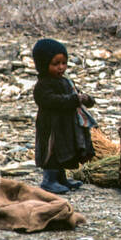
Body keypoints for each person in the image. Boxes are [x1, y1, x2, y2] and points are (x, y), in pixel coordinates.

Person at [31, 37, 95, 195]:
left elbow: (75, 95)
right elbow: (51, 101)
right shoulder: (43, 85)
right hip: (51, 126)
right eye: (55, 64)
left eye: (63, 63)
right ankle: (49, 180)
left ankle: (61, 179)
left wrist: (87, 99)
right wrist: (74, 100)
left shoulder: (65, 82)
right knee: (52, 151)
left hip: (65, 125)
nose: (61, 67)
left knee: (64, 150)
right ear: (43, 65)